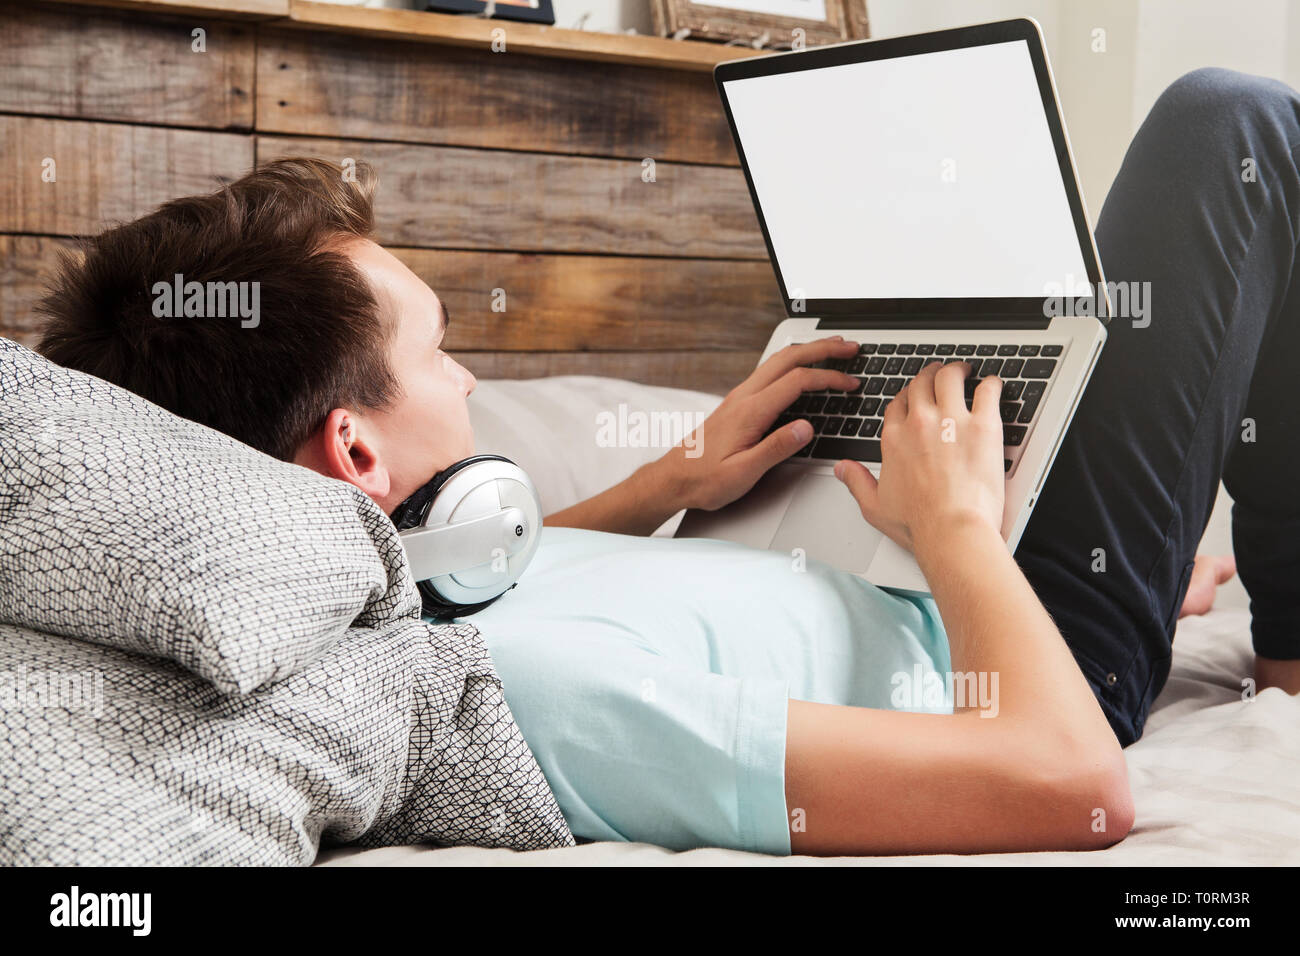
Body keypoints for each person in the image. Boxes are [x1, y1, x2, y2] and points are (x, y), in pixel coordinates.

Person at [34, 67, 1298, 858]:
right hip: (1025, 645)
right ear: (356, 448)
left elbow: (520, 579)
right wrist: (960, 530)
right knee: (1228, 129)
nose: (469, 381)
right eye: (439, 351)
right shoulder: (527, 693)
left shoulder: (404, 590)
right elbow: (1069, 783)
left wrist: (677, 477)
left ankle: (1180, 563)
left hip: (919, 550)